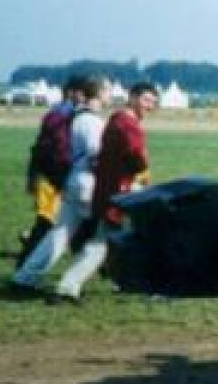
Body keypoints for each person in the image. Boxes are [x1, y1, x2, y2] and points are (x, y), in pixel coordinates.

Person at [53, 82, 158, 302]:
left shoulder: (115, 120)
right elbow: (138, 157)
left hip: (110, 191)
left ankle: (73, 286)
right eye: (146, 100)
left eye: (153, 102)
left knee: (105, 243)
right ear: (132, 97)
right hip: (120, 194)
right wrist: (141, 166)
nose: (150, 106)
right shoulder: (127, 124)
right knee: (112, 243)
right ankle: (69, 286)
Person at [11, 77, 108, 293]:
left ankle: (24, 277)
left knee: (60, 234)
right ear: (99, 93)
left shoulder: (74, 117)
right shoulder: (93, 122)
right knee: (103, 238)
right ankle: (68, 286)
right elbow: (95, 156)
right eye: (107, 90)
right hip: (89, 184)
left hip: (72, 181)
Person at [17, 78, 86, 266]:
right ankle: (25, 262)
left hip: (51, 172)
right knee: (47, 221)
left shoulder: (64, 113)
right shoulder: (62, 115)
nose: (85, 97)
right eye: (82, 93)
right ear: (72, 92)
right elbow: (55, 149)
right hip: (51, 174)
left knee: (58, 221)